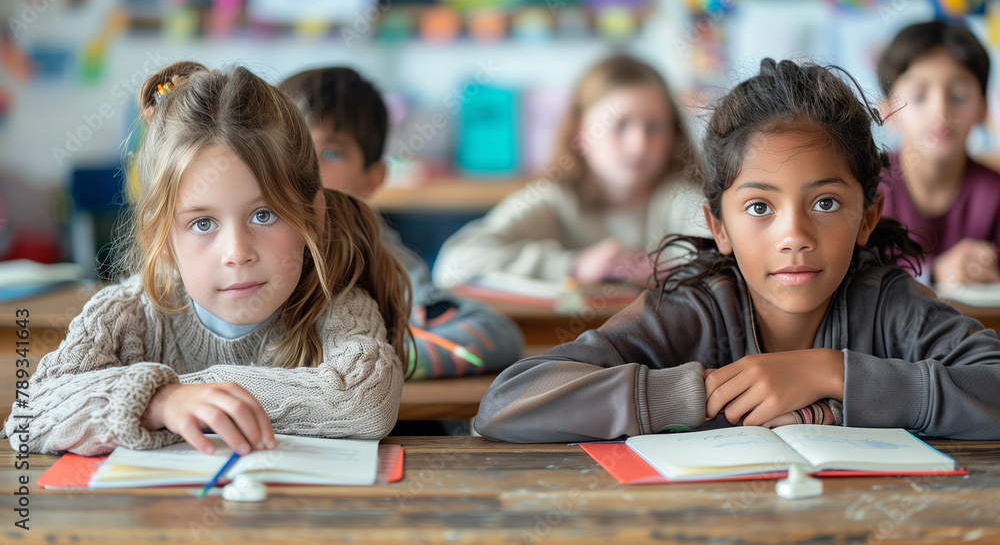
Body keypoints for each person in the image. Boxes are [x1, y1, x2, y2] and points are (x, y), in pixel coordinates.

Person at [475, 58, 1000, 443]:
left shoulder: (888, 305)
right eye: (758, 208)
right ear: (717, 226)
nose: (794, 235)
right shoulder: (691, 310)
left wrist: (829, 373)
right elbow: (508, 403)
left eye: (824, 202)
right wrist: (695, 393)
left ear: (866, 218)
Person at [4, 61, 412, 456]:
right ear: (161, 238)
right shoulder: (129, 314)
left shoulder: (334, 302)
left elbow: (366, 401)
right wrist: (161, 403)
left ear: (314, 215)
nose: (237, 253)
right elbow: (28, 415)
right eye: (202, 223)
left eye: (264, 214)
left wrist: (199, 391)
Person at [280, 67, 523, 380]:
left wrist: (390, 360)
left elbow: (497, 337)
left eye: (330, 152)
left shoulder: (382, 256)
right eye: (290, 149)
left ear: (373, 177)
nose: (306, 169)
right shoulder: (243, 239)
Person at [432, 53, 707, 289]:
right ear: (580, 132)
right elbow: (454, 264)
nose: (639, 145)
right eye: (620, 125)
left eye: (654, 127)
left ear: (674, 134)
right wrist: (574, 265)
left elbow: (727, 261)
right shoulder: (554, 199)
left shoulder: (681, 197)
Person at [877, 20, 1000, 287]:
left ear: (983, 109)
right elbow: (854, 280)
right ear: (887, 112)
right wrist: (934, 274)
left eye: (958, 96)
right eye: (920, 96)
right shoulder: (865, 189)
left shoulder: (995, 193)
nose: (941, 110)